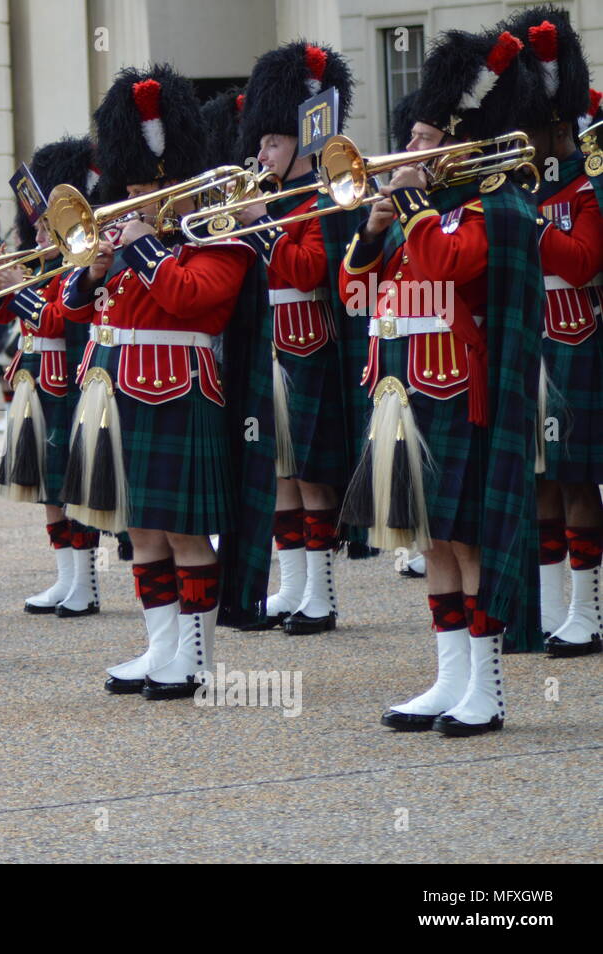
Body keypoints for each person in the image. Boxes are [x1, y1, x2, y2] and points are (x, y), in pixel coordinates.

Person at [338, 30, 543, 735]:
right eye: (415, 134)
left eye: (426, 135)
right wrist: (371, 228)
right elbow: (355, 291)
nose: (411, 148)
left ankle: (485, 687)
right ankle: (449, 675)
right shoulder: (417, 208)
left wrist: (413, 207)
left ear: (459, 138)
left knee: (467, 539)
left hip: (460, 387)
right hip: (406, 388)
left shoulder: (494, 203)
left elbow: (450, 264)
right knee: (431, 539)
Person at [61, 64, 265, 698]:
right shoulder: (128, 240)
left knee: (184, 531)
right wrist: (94, 271)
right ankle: (161, 647)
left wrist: (145, 247)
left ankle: (197, 658)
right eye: (134, 185)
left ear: (179, 184)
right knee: (141, 528)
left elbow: (191, 301)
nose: (138, 196)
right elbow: (76, 310)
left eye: (151, 186)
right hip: (121, 386)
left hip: (183, 386)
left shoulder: (220, 239)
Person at [232, 43, 362, 634]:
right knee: (279, 471)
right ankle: (291, 585)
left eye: (273, 143)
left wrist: (262, 227)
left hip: (310, 345)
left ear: (300, 145)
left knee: (311, 471)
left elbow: (311, 270)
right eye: (261, 143)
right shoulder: (275, 198)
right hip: (271, 346)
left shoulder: (320, 199)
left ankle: (323, 594)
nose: (261, 153)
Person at [501, 7, 603, 658]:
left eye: (532, 129)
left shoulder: (587, 183)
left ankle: (585, 610)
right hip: (527, 343)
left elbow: (584, 260)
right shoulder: (517, 180)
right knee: (535, 479)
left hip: (576, 345)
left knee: (573, 478)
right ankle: (539, 607)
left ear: (557, 126)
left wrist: (532, 224)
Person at [0, 136, 102, 617]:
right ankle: (65, 575)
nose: (36, 232)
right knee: (48, 485)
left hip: (68, 378)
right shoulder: (39, 259)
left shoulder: (78, 264)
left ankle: (86, 582)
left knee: (72, 481)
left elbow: (59, 319)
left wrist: (18, 286)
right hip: (34, 377)